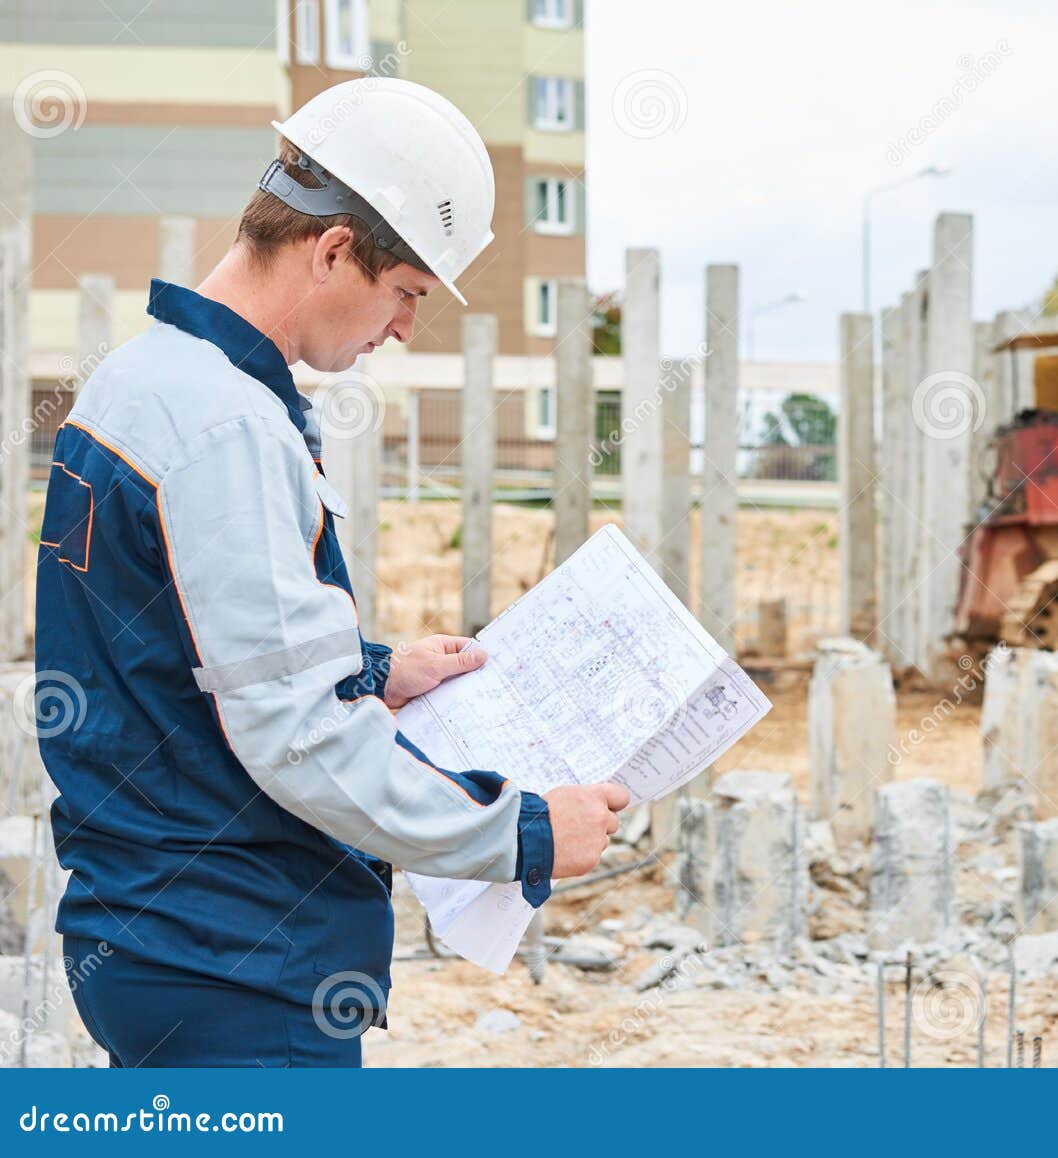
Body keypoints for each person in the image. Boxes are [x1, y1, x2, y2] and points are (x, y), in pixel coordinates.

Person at [34, 78, 626, 1068]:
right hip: (234, 962)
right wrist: (521, 833)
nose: (401, 329)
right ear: (335, 249)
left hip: (154, 938)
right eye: (404, 297)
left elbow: (169, 638)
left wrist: (371, 666)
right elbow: (300, 738)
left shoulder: (140, 381)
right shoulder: (227, 427)